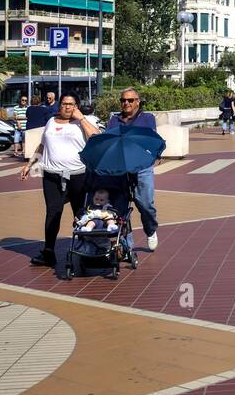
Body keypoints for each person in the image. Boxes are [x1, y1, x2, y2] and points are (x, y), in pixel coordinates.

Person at [21, 94, 99, 268]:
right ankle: (49, 252)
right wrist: (30, 164)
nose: (67, 107)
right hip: (51, 175)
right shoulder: (51, 122)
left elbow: (97, 137)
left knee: (81, 213)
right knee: (52, 212)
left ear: (77, 106)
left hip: (78, 175)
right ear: (59, 105)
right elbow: (42, 145)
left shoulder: (83, 123)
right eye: (64, 104)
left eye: (71, 104)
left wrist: (82, 119)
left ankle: (85, 249)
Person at [106, 87, 161, 251]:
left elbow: (149, 140)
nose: (126, 103)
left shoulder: (147, 118)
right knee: (120, 209)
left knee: (146, 205)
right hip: (120, 169)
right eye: (123, 100)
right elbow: (110, 141)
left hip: (141, 168)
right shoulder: (114, 120)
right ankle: (127, 246)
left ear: (137, 102)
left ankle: (150, 230)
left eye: (130, 100)